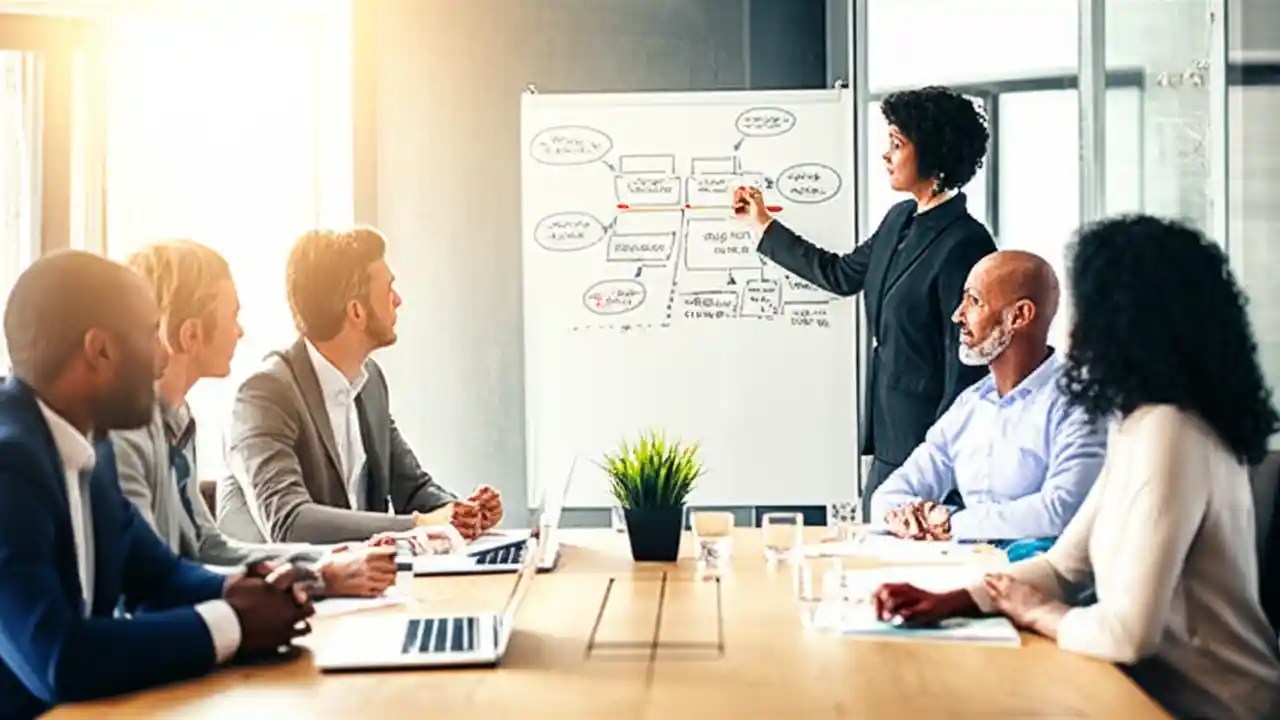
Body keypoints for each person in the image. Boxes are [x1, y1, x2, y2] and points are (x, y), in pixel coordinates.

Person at [874, 216, 1280, 719]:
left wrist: (1030, 609)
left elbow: (1126, 635)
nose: (1078, 329)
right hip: (1146, 695)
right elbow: (1065, 566)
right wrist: (955, 599)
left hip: (1210, 707)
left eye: (1092, 309)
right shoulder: (1139, 422)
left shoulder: (1172, 431)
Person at [0, 251, 313, 718]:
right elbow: (58, 656)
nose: (164, 358)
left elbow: (159, 575)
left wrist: (243, 588)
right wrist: (234, 623)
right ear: (100, 349)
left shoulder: (93, 446)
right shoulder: (9, 463)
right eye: (151, 336)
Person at [734, 86, 995, 519]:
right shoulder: (899, 221)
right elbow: (840, 274)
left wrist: (943, 461)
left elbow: (966, 363)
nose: (885, 156)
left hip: (929, 445)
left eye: (897, 144)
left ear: (932, 154)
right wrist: (763, 226)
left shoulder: (966, 243)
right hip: (889, 434)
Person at [112, 240, 406, 597]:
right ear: (191, 333)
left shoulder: (177, 422)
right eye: (233, 315)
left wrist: (326, 563)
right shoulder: (124, 439)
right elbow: (153, 584)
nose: (240, 331)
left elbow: (209, 548)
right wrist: (319, 578)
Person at [217, 227, 504, 544]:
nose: (398, 300)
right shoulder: (265, 393)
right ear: (356, 311)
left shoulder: (369, 382)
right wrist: (420, 524)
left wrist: (463, 512)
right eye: (388, 290)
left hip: (364, 581)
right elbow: (289, 522)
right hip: (292, 587)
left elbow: (413, 487)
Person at [869, 251, 1106, 541]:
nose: (958, 315)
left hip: (1040, 578)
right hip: (968, 567)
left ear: (1019, 316)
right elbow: (887, 497)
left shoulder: (1079, 401)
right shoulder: (971, 404)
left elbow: (1061, 511)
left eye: (974, 301)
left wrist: (951, 523)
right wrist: (909, 517)